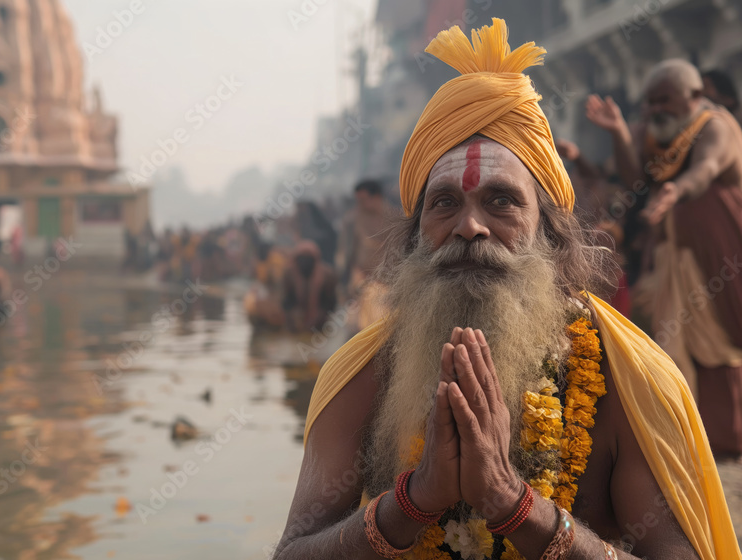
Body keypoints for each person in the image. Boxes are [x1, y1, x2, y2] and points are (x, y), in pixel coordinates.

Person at [275, 20, 739, 560]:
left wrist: (516, 505)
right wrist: (414, 500)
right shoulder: (360, 374)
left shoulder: (630, 379)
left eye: (501, 201)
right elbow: (292, 553)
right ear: (414, 238)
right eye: (444, 203)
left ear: (550, 232)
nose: (470, 226)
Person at [586, 59, 742, 458]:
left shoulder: (717, 126)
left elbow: (706, 167)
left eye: (665, 100)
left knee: (720, 343)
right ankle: (687, 437)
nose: (656, 109)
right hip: (672, 259)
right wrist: (619, 131)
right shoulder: (658, 136)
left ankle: (724, 436)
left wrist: (677, 191)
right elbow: (634, 179)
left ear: (694, 96)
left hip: (720, 262)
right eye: (650, 102)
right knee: (666, 342)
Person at [341, 179, 396, 293]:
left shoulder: (396, 218)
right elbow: (346, 252)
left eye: (362, 200)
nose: (359, 204)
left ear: (376, 197)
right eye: (358, 200)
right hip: (362, 283)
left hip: (390, 283)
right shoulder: (352, 220)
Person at [282, 241, 338, 332]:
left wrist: (320, 316)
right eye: (301, 259)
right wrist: (293, 315)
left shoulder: (327, 275)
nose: (304, 262)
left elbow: (331, 304)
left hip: (320, 324)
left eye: (308, 259)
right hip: (296, 324)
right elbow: (286, 302)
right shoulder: (289, 275)